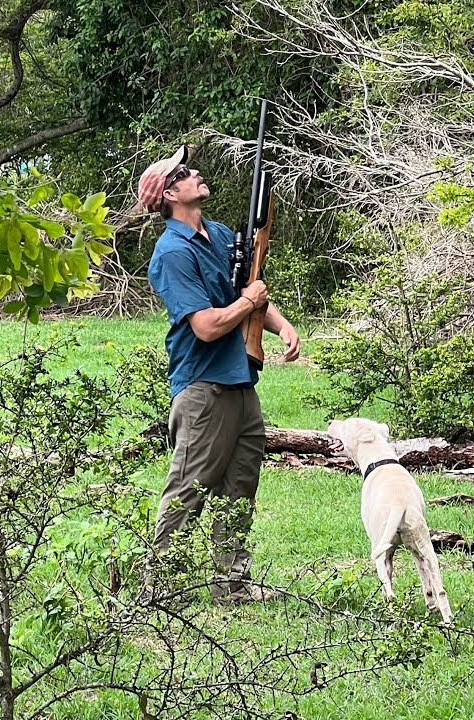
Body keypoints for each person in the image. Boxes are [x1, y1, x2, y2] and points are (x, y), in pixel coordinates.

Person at [139, 146, 301, 604]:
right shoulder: (171, 252)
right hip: (204, 385)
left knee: (240, 486)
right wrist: (251, 302)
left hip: (240, 380)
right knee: (189, 488)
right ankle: (158, 590)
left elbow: (249, 290)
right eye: (184, 172)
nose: (196, 174)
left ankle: (232, 587)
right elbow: (209, 325)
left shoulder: (221, 233)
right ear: (171, 193)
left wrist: (280, 323)